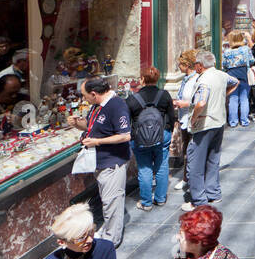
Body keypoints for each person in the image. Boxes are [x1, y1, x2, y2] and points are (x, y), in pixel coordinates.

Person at [67, 77, 132, 246]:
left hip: (113, 163)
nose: (83, 99)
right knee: (107, 201)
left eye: (84, 95)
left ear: (94, 94)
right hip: (100, 162)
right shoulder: (97, 106)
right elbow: (91, 126)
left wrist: (98, 142)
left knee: (113, 203)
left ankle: (111, 240)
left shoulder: (117, 106)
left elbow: (125, 135)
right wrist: (77, 124)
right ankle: (108, 230)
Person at [181, 51, 236, 208]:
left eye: (196, 64)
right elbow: (236, 82)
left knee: (196, 163)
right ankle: (213, 193)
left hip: (204, 124)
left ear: (200, 65)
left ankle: (198, 199)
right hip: (219, 122)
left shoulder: (204, 80)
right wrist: (222, 96)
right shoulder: (221, 75)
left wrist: (193, 118)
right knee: (213, 158)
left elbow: (201, 102)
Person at [127, 66, 175, 211]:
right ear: (157, 78)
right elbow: (171, 116)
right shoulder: (164, 95)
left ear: (142, 79)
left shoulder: (132, 99)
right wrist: (169, 131)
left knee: (144, 168)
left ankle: (146, 202)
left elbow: (128, 121)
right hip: (162, 135)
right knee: (161, 165)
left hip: (140, 138)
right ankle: (160, 198)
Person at [172, 49, 199, 198]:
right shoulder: (186, 78)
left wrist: (184, 104)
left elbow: (198, 100)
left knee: (191, 151)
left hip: (191, 119)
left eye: (180, 65)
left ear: (187, 65)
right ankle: (186, 177)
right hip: (184, 118)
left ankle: (191, 179)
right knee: (185, 150)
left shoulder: (196, 79)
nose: (179, 67)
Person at [221, 31, 253, 129]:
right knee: (244, 98)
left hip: (231, 76)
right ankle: (244, 120)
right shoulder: (246, 49)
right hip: (244, 75)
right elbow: (252, 60)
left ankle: (233, 121)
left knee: (233, 99)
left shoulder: (227, 52)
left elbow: (224, 65)